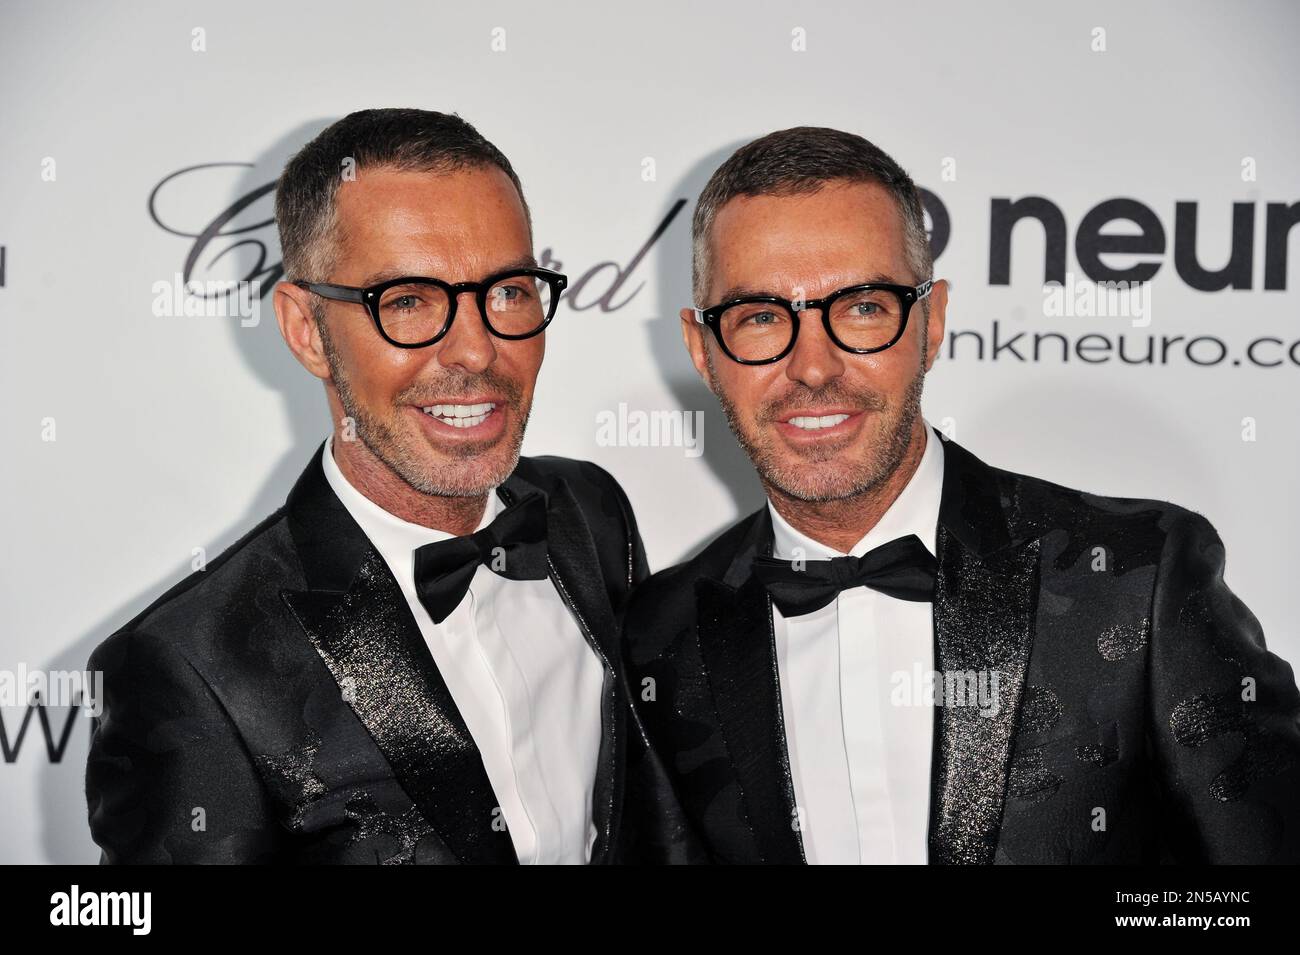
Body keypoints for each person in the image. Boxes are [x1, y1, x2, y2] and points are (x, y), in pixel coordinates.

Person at [622, 126, 1300, 864]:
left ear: (931, 321)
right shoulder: (662, 638)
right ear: (701, 349)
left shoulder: (1139, 578)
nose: (812, 368)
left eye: (861, 307)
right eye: (759, 317)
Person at [86, 108, 651, 864]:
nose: (477, 351)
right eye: (409, 301)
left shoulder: (590, 512)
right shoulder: (194, 670)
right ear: (307, 330)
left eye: (509, 291)